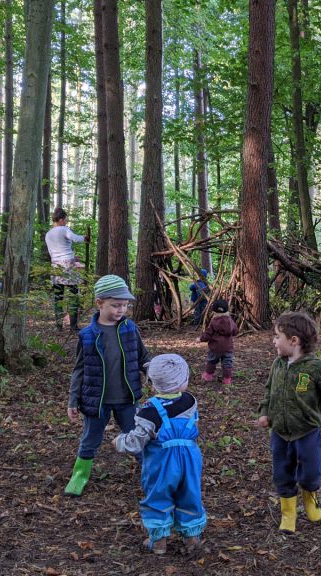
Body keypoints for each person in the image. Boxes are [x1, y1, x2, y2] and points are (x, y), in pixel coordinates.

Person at [257, 312, 321, 534]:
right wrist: (265, 412)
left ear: (294, 341)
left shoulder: (315, 367)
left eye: (277, 336)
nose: (273, 341)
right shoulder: (278, 364)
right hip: (280, 433)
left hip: (307, 432)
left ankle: (310, 498)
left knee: (311, 472)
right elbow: (268, 391)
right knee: (282, 472)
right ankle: (288, 513)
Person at [64, 274, 150, 497]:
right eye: (116, 305)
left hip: (127, 398)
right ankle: (79, 475)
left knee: (136, 435)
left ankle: (151, 473)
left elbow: (143, 358)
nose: (121, 310)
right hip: (96, 400)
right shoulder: (87, 335)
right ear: (99, 303)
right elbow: (79, 369)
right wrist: (73, 399)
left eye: (124, 305)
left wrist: (154, 373)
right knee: (90, 439)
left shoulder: (130, 329)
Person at [114, 354, 206, 555]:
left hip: (162, 462)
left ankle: (158, 542)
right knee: (189, 494)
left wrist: (120, 441)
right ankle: (191, 539)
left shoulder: (149, 411)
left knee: (158, 496)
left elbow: (136, 442)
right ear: (183, 383)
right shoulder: (190, 401)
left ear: (153, 385)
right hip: (190, 459)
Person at [45, 207, 89, 330]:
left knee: (58, 296)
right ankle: (73, 325)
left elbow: (56, 253)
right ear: (60, 219)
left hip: (55, 266)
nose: (66, 222)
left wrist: (73, 257)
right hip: (68, 267)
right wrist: (85, 238)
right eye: (65, 219)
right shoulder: (64, 229)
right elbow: (75, 238)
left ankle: (59, 325)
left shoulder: (48, 234)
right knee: (74, 294)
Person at [199, 299, 238, 385]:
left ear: (214, 311)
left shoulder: (214, 322)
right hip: (228, 347)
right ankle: (227, 379)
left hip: (215, 347)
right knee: (227, 363)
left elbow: (208, 334)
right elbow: (235, 331)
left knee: (212, 361)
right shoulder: (231, 321)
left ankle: (208, 376)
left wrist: (201, 338)